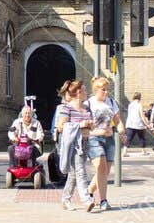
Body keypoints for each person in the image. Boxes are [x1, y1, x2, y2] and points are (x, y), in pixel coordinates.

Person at [52, 79, 94, 211]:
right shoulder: (67, 108)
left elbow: (91, 125)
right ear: (79, 92)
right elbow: (60, 127)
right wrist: (80, 125)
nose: (87, 92)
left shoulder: (87, 108)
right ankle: (87, 201)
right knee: (80, 172)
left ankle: (65, 199)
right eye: (85, 90)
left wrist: (90, 125)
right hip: (74, 145)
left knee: (74, 174)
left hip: (85, 142)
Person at [86, 76, 122, 211]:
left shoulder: (111, 102)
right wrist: (94, 130)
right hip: (94, 138)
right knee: (101, 167)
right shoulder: (88, 104)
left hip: (109, 139)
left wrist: (121, 129)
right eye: (103, 90)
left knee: (104, 172)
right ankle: (103, 201)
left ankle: (88, 191)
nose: (106, 92)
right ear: (96, 90)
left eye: (107, 90)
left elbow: (117, 120)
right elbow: (85, 122)